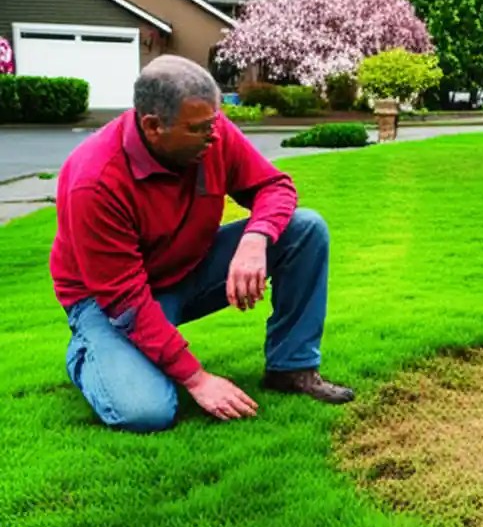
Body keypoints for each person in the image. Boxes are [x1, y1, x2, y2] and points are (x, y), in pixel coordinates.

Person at [50, 56, 355, 433]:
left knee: (304, 228)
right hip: (108, 303)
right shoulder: (95, 182)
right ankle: (88, 350)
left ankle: (291, 369)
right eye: (199, 129)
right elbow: (125, 302)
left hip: (188, 269)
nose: (214, 135)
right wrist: (197, 379)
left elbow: (273, 186)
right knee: (146, 411)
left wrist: (255, 240)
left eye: (215, 122)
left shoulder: (211, 132)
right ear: (153, 126)